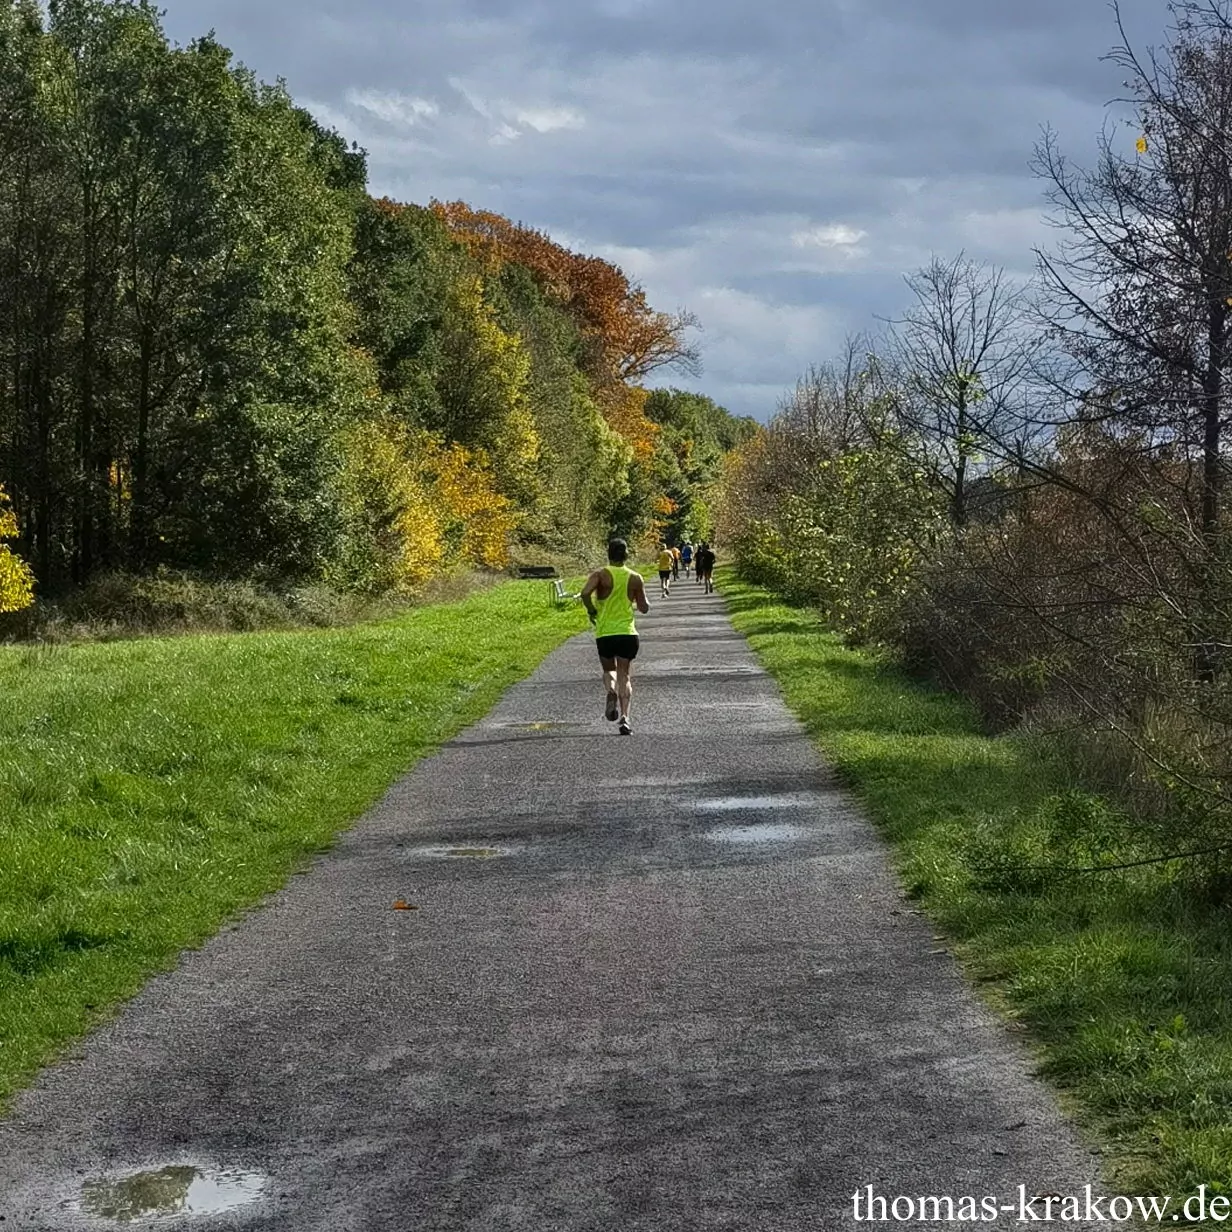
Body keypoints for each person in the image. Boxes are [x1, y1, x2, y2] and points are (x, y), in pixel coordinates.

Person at [580, 539, 650, 736]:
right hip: (627, 633)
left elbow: (585, 593)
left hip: (605, 633)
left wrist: (592, 610)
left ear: (608, 554)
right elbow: (643, 608)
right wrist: (641, 600)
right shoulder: (635, 578)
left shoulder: (600, 575)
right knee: (625, 674)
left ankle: (610, 692)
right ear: (626, 555)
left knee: (609, 670)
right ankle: (625, 718)